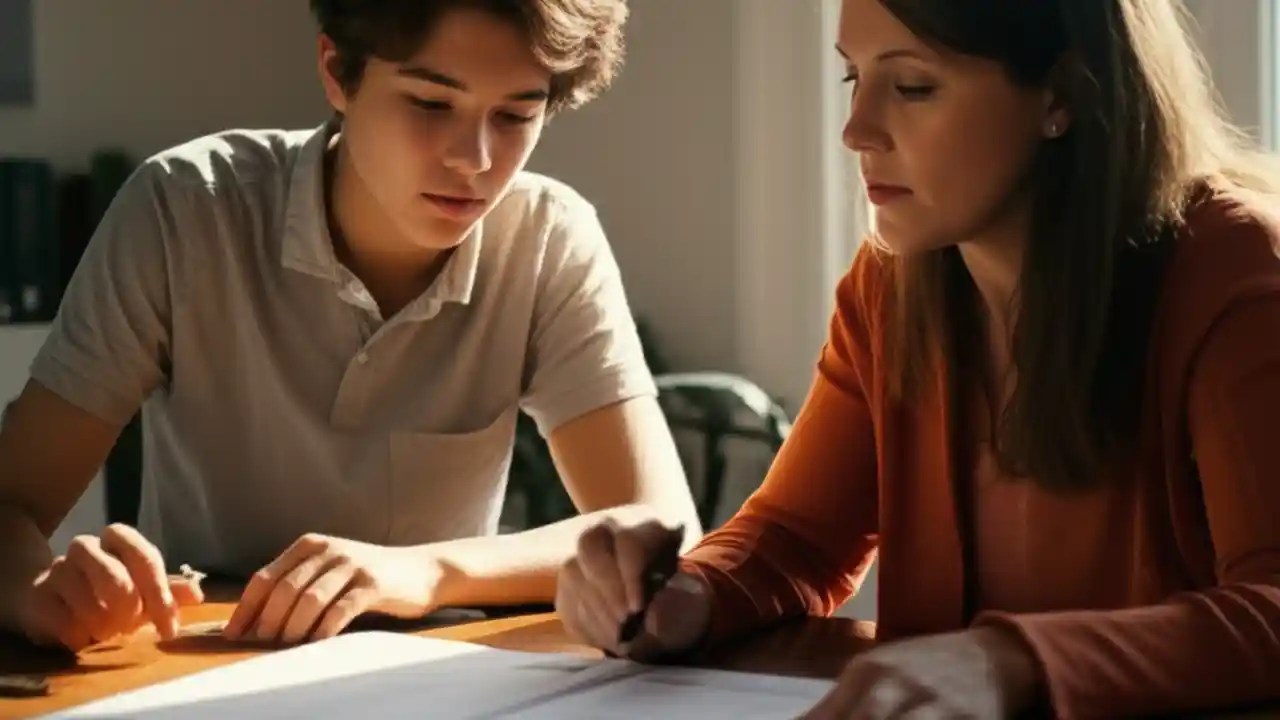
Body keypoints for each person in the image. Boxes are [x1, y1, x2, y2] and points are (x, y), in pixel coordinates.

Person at [556, 0, 1280, 717]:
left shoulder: (1237, 271)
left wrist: (1012, 659)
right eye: (852, 79)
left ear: (1064, 95)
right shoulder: (890, 288)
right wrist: (680, 598)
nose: (855, 130)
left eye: (912, 87)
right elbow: (796, 539)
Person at [0, 0, 701, 653]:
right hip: (209, 658)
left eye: (517, 116)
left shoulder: (548, 236)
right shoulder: (183, 209)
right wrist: (33, 590)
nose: (476, 161)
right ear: (337, 73)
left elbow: (659, 526)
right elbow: (14, 504)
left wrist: (426, 572)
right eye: (431, 103)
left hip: (440, 671)